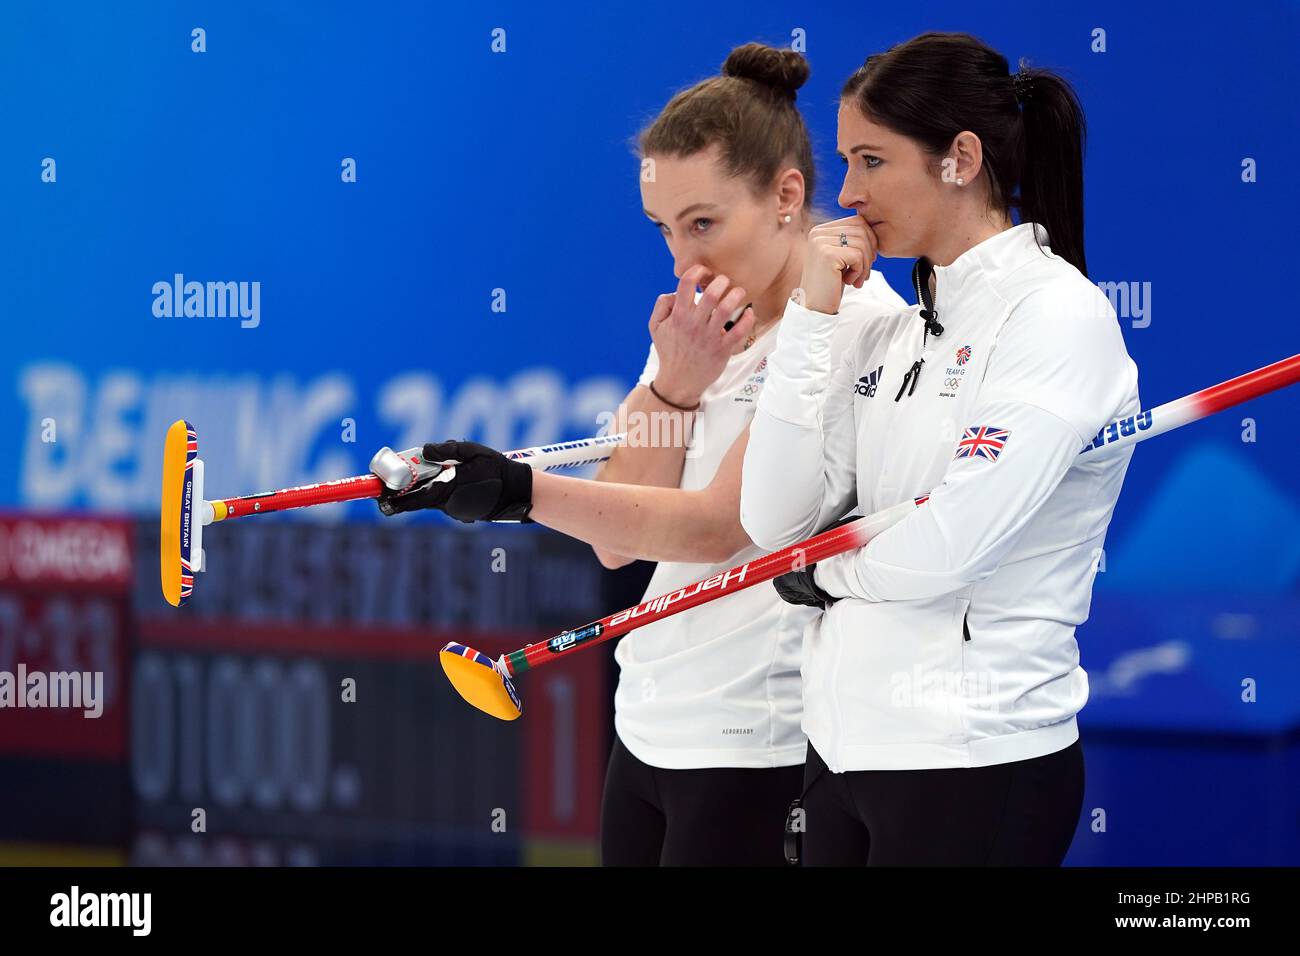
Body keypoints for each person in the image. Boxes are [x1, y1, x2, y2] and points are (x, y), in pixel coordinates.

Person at [373, 42, 906, 865]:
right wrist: (674, 391)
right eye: (664, 229)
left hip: (758, 743)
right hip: (651, 723)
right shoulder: (697, 323)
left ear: (787, 197)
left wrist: (519, 491)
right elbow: (620, 541)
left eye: (704, 223)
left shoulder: (852, 327)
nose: (683, 261)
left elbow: (719, 529)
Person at [740, 32, 1140, 866]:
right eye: (845, 161)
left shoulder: (1056, 318)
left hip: (973, 760)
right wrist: (813, 322)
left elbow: (948, 546)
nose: (846, 193)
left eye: (872, 161)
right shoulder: (893, 321)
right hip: (840, 752)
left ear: (960, 157)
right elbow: (772, 517)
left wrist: (821, 574)